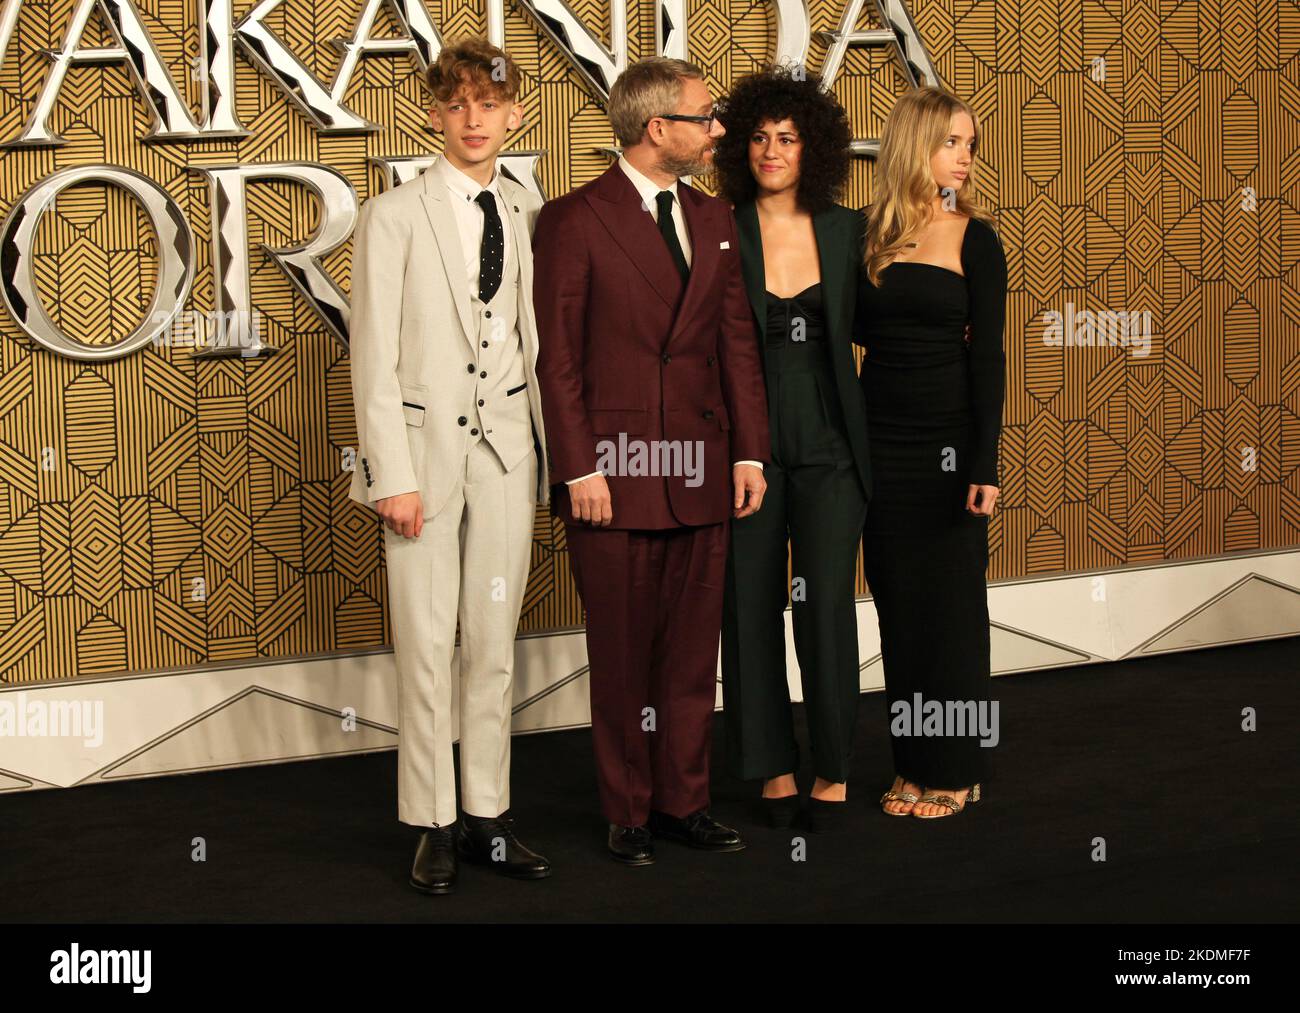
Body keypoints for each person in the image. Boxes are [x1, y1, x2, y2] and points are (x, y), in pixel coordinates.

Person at [533, 57, 771, 865]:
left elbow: (737, 344)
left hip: (705, 467)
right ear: (655, 127)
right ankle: (628, 810)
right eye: (705, 118)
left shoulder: (716, 218)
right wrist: (578, 467)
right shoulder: (572, 219)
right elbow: (556, 361)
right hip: (614, 473)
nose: (718, 131)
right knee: (623, 656)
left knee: (690, 655)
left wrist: (751, 453)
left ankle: (684, 801)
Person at [348, 37, 553, 892]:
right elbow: (371, 354)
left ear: (514, 115)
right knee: (428, 643)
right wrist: (391, 473)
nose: (475, 119)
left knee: (494, 642)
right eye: (457, 103)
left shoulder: (530, 211)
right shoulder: (391, 215)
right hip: (422, 462)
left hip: (508, 451)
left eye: (490, 104)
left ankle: (487, 814)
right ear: (435, 114)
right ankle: (430, 818)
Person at [711, 66, 871, 832]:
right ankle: (771, 766)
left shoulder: (848, 230)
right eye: (760, 137)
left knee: (826, 609)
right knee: (749, 605)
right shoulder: (715, 223)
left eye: (788, 137)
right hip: (743, 445)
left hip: (833, 444)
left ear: (816, 149)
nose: (772, 150)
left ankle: (834, 766)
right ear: (743, 147)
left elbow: (881, 324)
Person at [854, 85, 1007, 819]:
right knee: (900, 614)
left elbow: (990, 361)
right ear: (915, 145)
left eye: (970, 145)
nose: (965, 158)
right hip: (879, 449)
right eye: (953, 142)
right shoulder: (866, 235)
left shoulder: (977, 240)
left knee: (952, 614)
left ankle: (958, 766)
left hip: (949, 450)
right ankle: (912, 762)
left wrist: (984, 464)